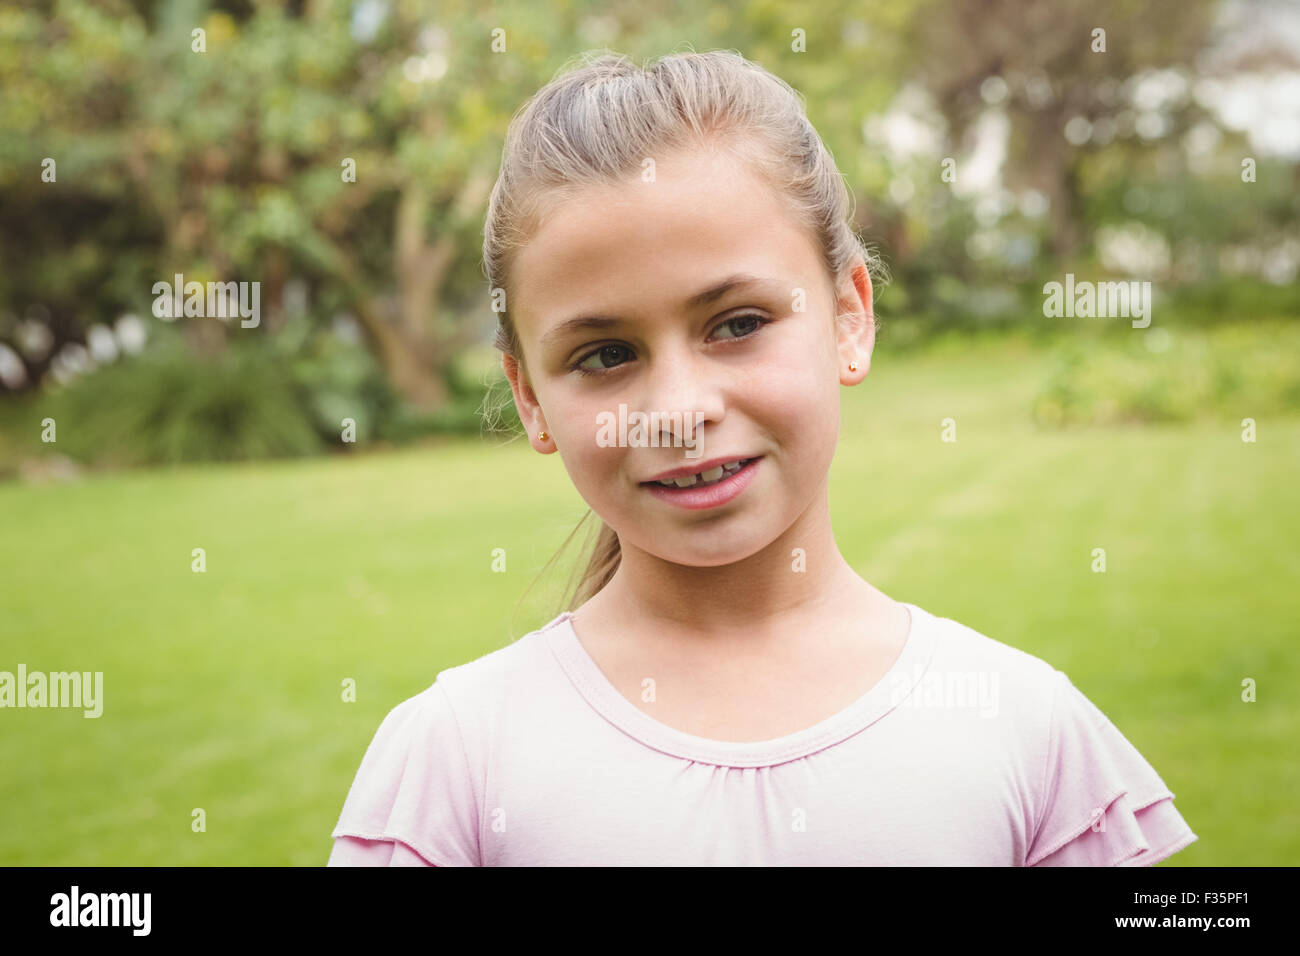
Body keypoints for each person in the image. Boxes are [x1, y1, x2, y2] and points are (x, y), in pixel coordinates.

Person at [327, 48, 1197, 866]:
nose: (677, 412)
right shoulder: (454, 762)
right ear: (529, 398)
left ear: (850, 317)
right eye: (605, 355)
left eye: (738, 325)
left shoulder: (1025, 730)